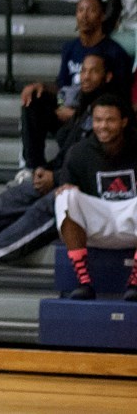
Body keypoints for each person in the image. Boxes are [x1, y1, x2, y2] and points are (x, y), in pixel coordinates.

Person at [0, 51, 113, 269]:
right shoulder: (83, 103)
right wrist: (50, 173)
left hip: (89, 196)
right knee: (23, 192)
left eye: (93, 72)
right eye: (83, 70)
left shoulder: (109, 111)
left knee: (54, 203)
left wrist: (56, 178)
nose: (86, 76)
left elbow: (97, 168)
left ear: (108, 76)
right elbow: (69, 144)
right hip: (67, 177)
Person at [18, 0, 133, 171]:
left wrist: (77, 113)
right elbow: (62, 88)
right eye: (80, 10)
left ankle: (58, 171)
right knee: (33, 100)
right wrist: (53, 98)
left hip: (93, 116)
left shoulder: (114, 52)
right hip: (68, 106)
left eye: (91, 10)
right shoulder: (70, 48)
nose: (84, 15)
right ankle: (33, 167)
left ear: (102, 16)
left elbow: (117, 97)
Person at [54, 95, 137, 299]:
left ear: (124, 122)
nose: (103, 126)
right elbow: (65, 188)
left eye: (110, 120)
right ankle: (84, 282)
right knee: (65, 196)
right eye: (98, 120)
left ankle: (135, 282)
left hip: (131, 224)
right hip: (95, 226)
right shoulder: (79, 152)